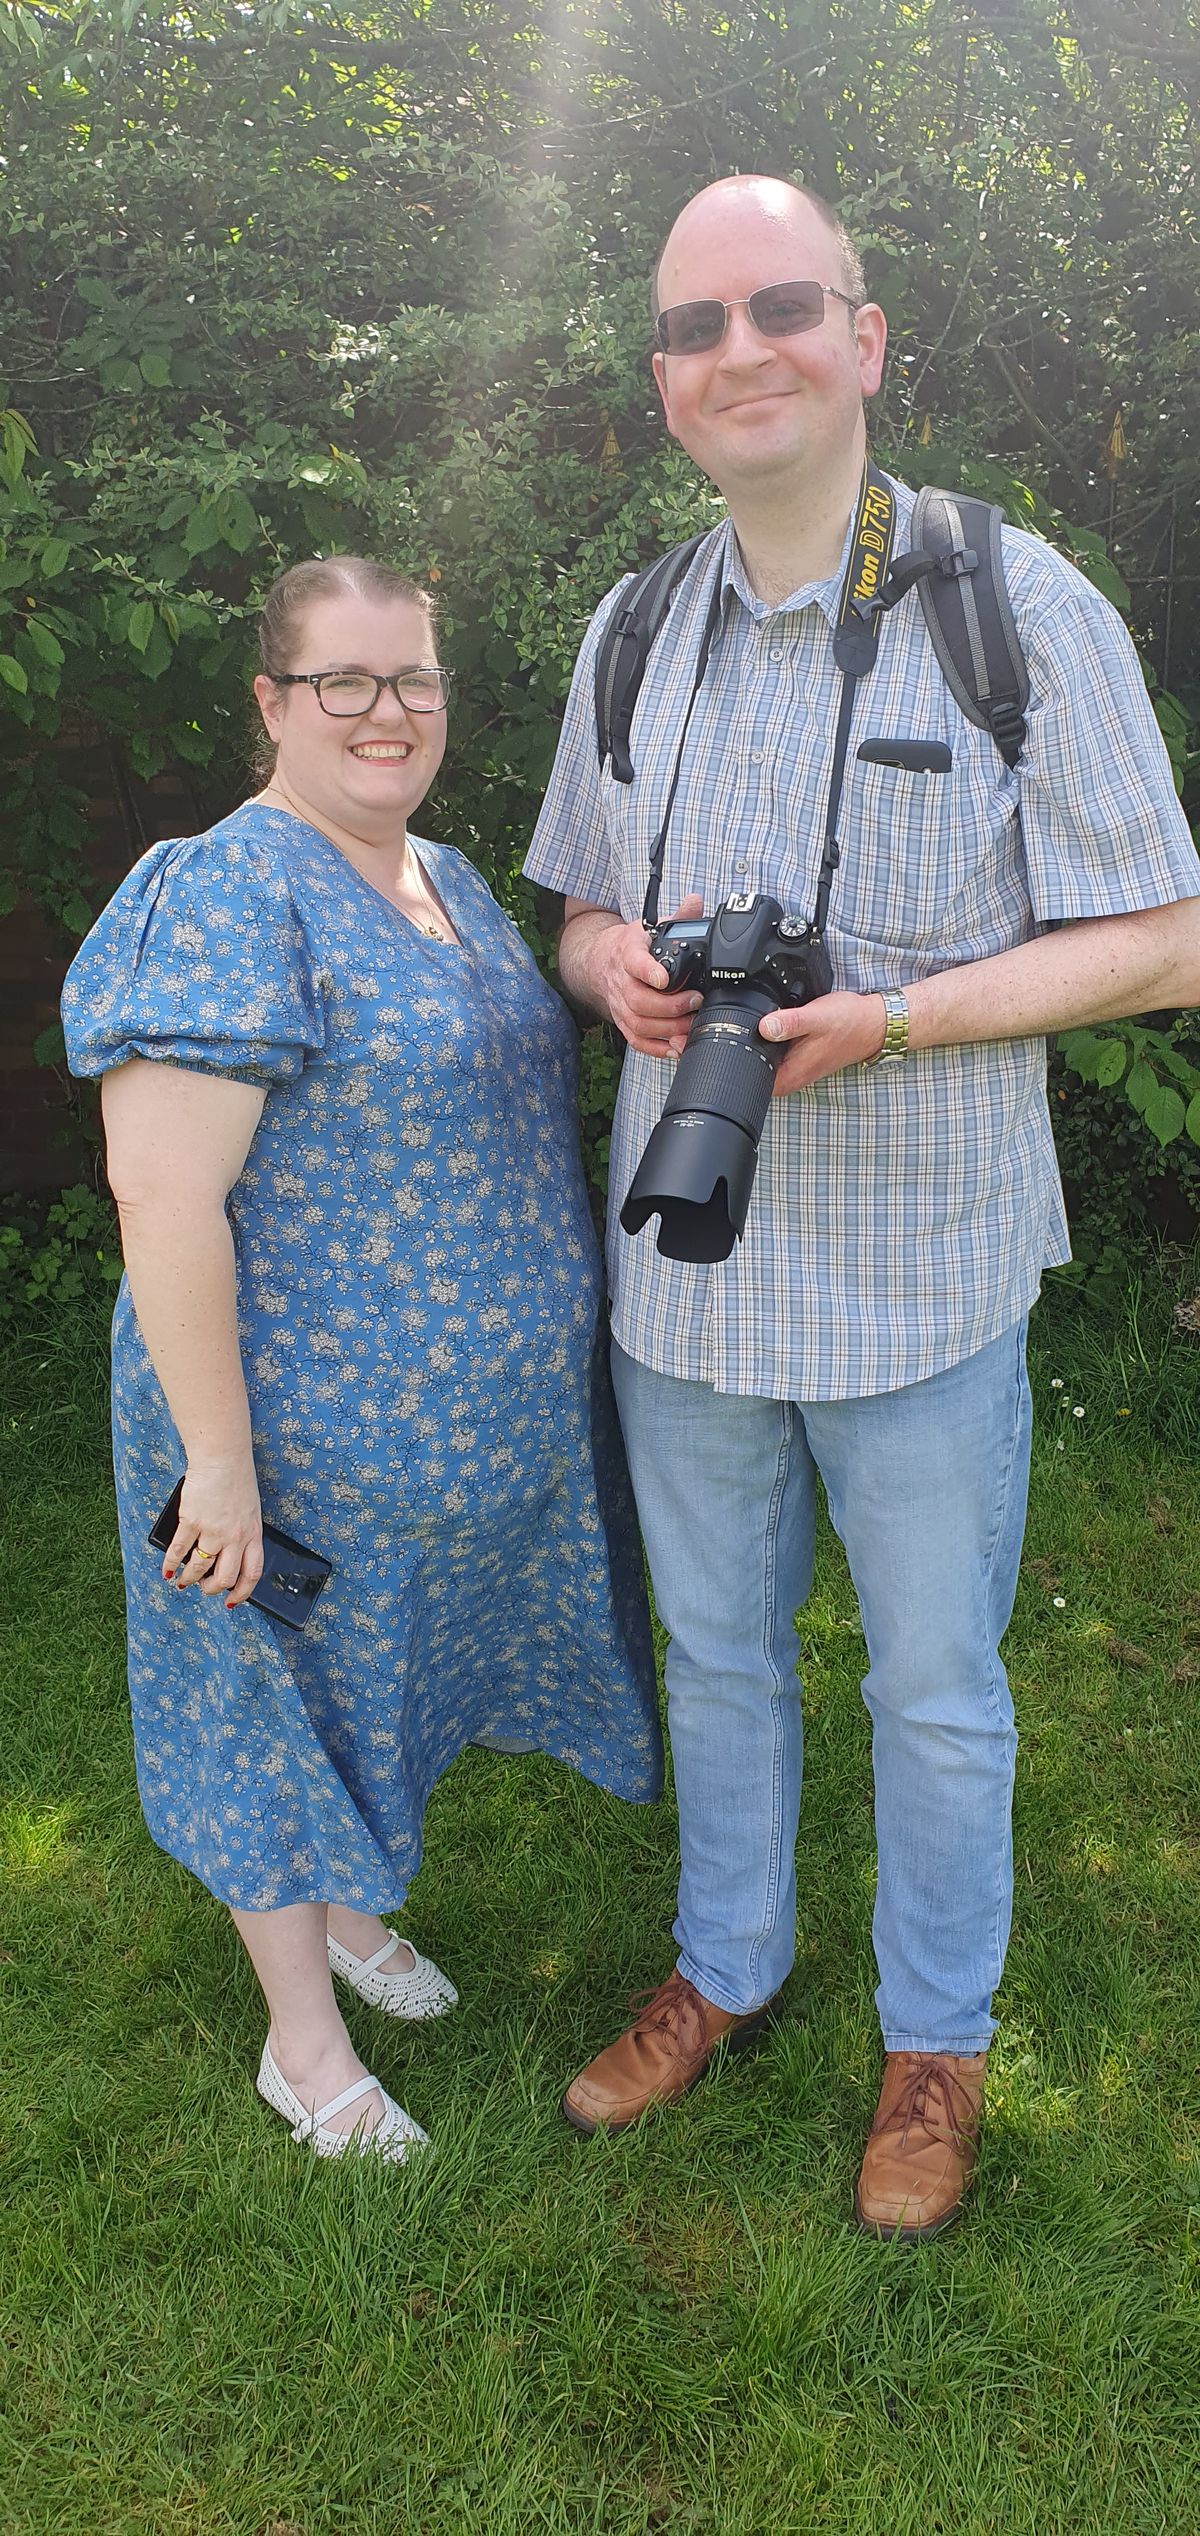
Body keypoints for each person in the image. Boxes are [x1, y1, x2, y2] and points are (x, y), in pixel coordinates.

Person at [523, 174, 1200, 2237]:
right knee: (718, 1656)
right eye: (697, 323)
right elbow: (569, 900)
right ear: (661, 386)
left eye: (781, 304)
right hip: (686, 1290)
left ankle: (937, 2034)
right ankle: (728, 1961)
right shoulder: (633, 627)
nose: (742, 348)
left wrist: (891, 1016)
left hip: (919, 1283)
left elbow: (1169, 937)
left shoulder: (1019, 607)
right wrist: (613, 964)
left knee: (933, 1682)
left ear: (868, 337)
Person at [62, 555, 660, 2164]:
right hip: (272, 1429)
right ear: (272, 703)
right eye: (346, 681)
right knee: (264, 1705)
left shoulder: (450, 881)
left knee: (369, 1694)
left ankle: (342, 1910)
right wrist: (222, 1464)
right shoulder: (226, 887)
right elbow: (162, 1188)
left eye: (415, 679)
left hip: (439, 1437)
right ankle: (302, 2049)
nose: (388, 712)